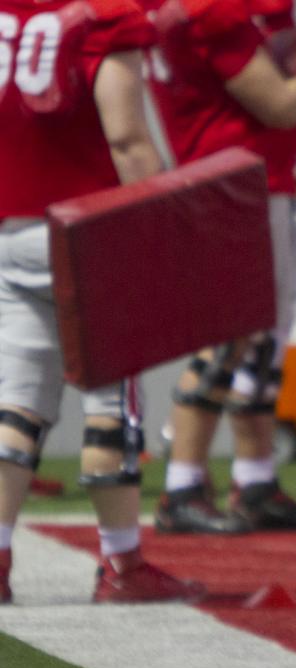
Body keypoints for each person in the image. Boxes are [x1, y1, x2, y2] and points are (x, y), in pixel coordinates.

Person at [0, 0, 204, 603]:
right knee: (112, 401)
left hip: (13, 229)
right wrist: (167, 222)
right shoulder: (105, 16)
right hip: (90, 229)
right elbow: (126, 137)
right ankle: (122, 563)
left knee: (17, 402)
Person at [138, 0, 296, 533]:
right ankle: (182, 485)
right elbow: (281, 106)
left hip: (247, 176)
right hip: (235, 183)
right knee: (228, 337)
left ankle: (255, 480)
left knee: (262, 341)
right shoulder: (210, 9)